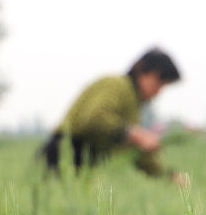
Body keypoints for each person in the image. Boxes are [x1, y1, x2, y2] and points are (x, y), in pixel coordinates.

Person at [38, 47, 189, 187]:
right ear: (141, 69)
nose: (158, 92)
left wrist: (168, 176)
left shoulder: (134, 104)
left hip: (80, 166)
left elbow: (137, 154)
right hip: (62, 154)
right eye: (159, 82)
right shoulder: (116, 85)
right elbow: (94, 119)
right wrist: (134, 134)